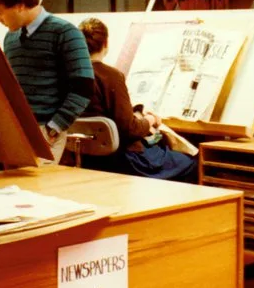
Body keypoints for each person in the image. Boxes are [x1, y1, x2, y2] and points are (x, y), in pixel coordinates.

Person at [0, 0, 94, 162]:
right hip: (15, 132)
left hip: (44, 132)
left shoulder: (65, 33)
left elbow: (84, 88)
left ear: (20, 5)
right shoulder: (11, 37)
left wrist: (53, 128)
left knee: (37, 190)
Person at [78, 18, 197, 182]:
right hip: (124, 159)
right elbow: (130, 130)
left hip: (88, 157)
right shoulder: (111, 76)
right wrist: (150, 119)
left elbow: (101, 112)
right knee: (190, 163)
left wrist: (136, 112)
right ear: (106, 43)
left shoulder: (71, 74)